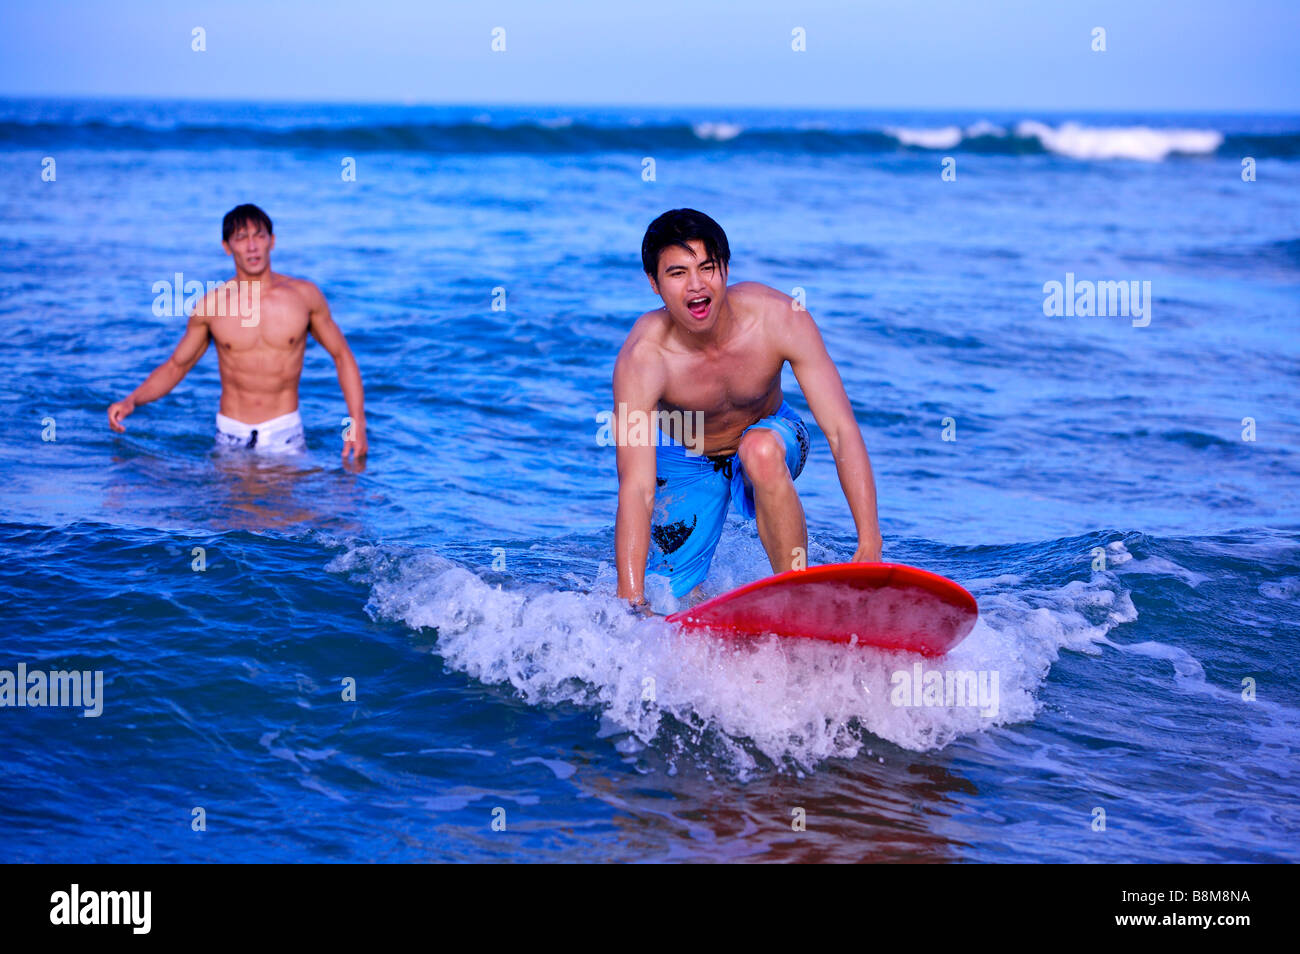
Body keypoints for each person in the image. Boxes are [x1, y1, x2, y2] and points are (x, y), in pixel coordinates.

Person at [613, 208, 882, 611]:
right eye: (677, 273)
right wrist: (629, 600)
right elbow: (636, 487)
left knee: (758, 449)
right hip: (693, 459)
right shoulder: (642, 358)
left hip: (776, 435)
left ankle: (797, 593)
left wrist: (870, 540)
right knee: (667, 601)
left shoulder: (777, 318)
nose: (696, 286)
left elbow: (841, 428)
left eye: (708, 267)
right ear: (653, 283)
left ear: (725, 268)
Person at [107, 204, 367, 465]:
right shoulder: (211, 306)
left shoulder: (304, 297)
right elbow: (176, 366)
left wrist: (356, 422)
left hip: (285, 432)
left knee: (303, 504)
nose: (252, 246)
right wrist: (131, 401)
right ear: (227, 246)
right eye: (241, 238)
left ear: (272, 241)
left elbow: (342, 355)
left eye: (259, 236)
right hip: (231, 434)